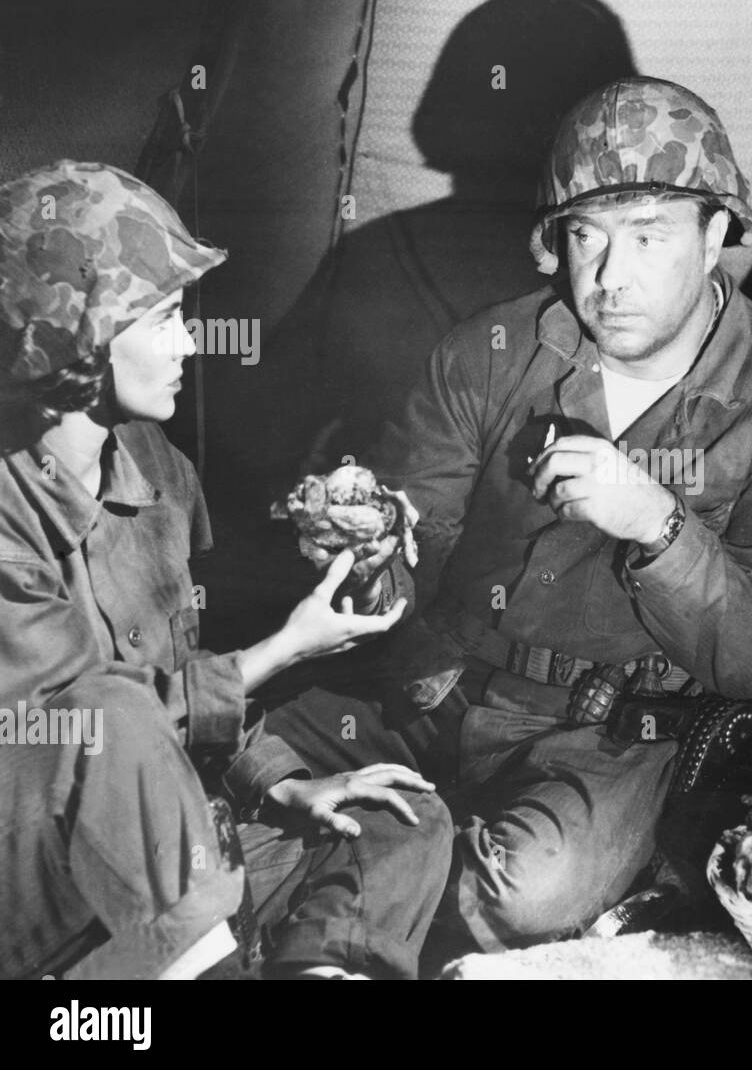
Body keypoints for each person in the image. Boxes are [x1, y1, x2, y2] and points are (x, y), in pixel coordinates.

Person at [271, 76, 752, 959]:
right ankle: (381, 861)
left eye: (649, 236)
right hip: (437, 688)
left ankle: (369, 873)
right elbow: (412, 529)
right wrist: (370, 540)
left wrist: (658, 523)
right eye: (587, 235)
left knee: (522, 896)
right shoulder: (490, 350)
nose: (609, 279)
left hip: (612, 734)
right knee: (220, 742)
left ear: (718, 232)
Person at [0, 161, 450, 979]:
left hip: (185, 855)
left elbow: (180, 681)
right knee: (108, 711)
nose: (189, 342)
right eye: (165, 319)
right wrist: (280, 651)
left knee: (403, 817)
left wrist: (281, 784)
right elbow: (93, 747)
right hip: (54, 899)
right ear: (80, 335)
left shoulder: (157, 467)